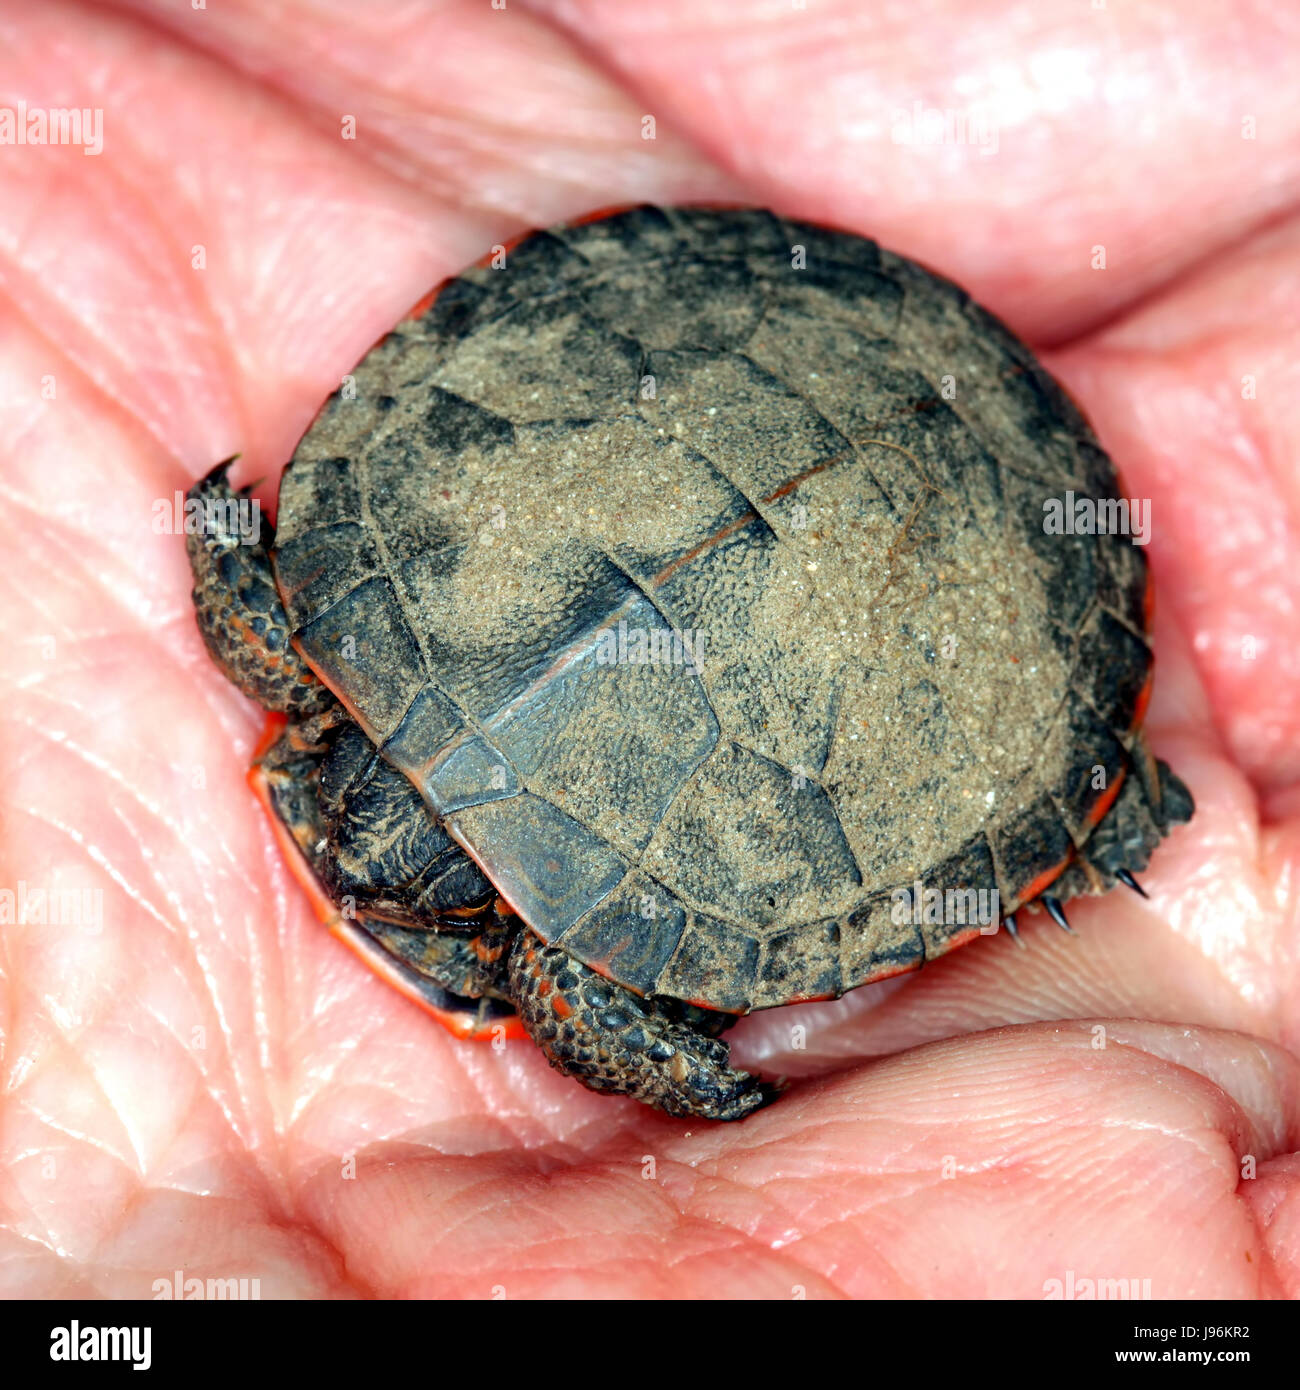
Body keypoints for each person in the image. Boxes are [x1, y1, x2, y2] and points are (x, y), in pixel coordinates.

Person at [1, 0, 1294, 1299]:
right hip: (787, 378)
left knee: (575, 978)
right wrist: (693, 1078)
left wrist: (703, 1084)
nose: (355, 841)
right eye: (401, 847)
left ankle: (1089, 792)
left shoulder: (496, 887)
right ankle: (1081, 789)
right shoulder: (329, 681)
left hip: (874, 475)